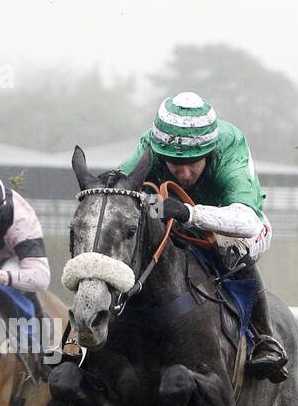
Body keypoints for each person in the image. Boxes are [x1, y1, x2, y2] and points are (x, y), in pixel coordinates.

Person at [119, 91, 287, 381]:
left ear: (208, 153)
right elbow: (119, 195)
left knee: (232, 248)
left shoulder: (229, 144)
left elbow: (247, 222)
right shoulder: (150, 145)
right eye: (174, 164)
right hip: (174, 225)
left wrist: (189, 213)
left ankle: (265, 339)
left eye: (194, 162)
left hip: (237, 228)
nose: (184, 173)